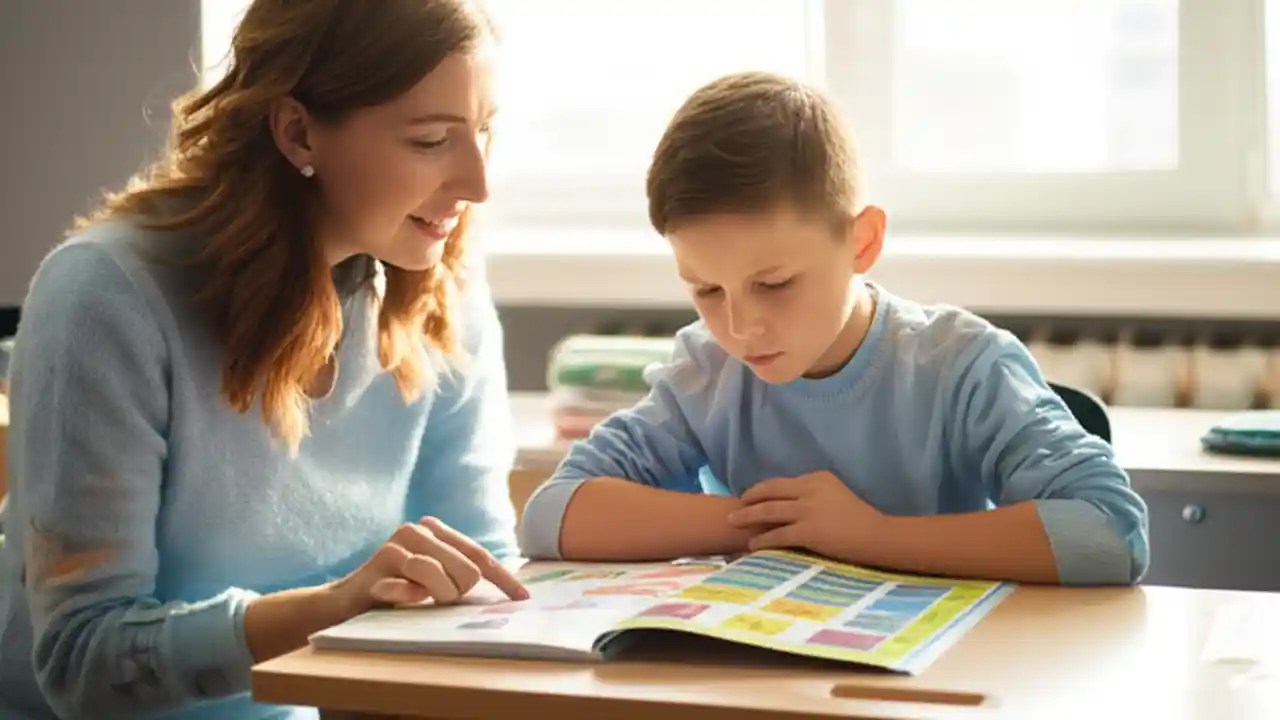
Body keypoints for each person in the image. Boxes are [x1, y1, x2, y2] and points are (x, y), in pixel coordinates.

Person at [0, 1, 529, 718]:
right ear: (298, 131)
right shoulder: (106, 296)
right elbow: (81, 662)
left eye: (484, 131)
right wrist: (330, 609)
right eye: (431, 140)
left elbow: (483, 572)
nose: (477, 183)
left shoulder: (443, 290)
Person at [519, 71, 1150, 588]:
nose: (740, 327)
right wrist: (772, 525)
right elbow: (552, 513)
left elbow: (1112, 533)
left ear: (862, 241)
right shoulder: (706, 372)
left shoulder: (960, 365)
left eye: (774, 284)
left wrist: (872, 535)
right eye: (706, 290)